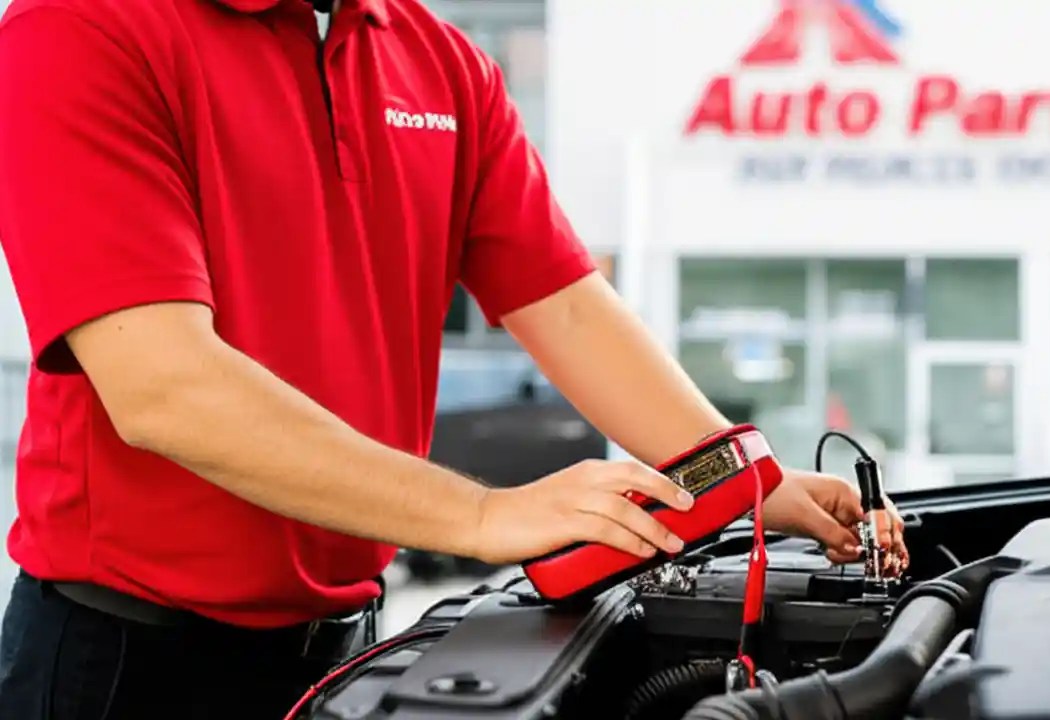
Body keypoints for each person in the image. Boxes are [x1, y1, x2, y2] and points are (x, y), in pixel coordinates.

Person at [0, 0, 908, 717]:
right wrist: (481, 514)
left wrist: (743, 478)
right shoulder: (79, 29)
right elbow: (164, 388)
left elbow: (567, 308)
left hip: (348, 650)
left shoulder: (438, 61)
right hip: (124, 664)